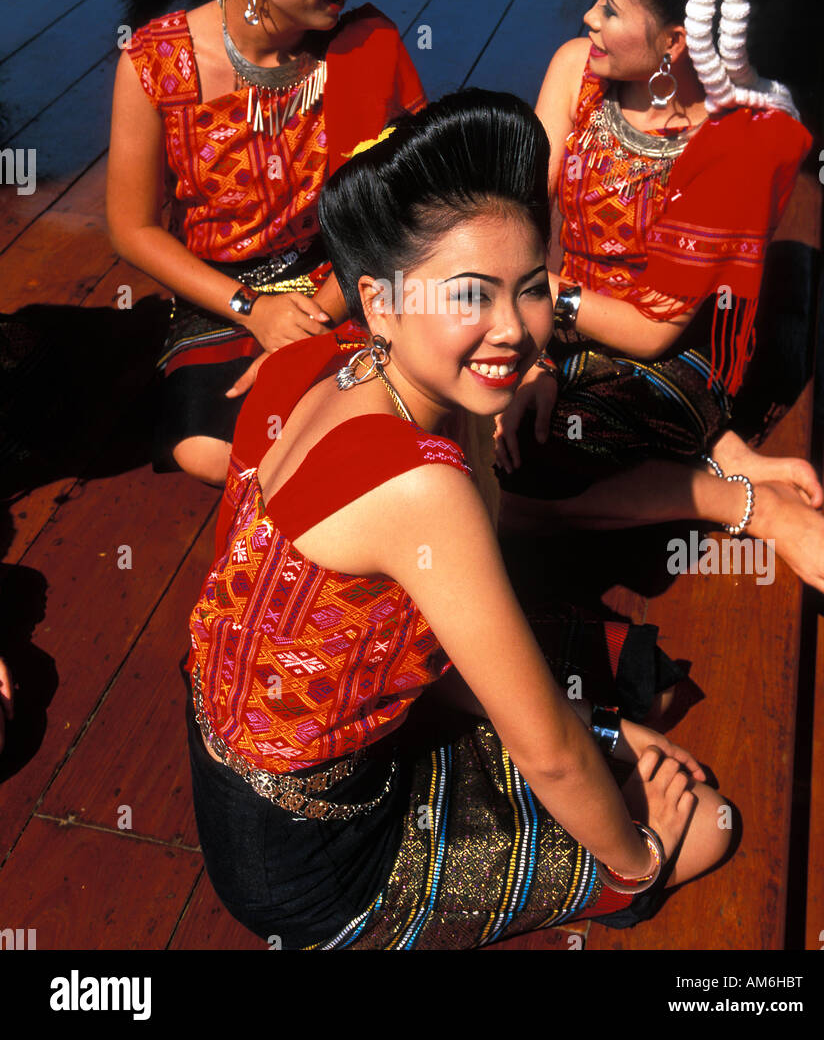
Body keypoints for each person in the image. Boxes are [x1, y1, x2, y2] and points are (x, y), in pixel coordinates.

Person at [185, 91, 730, 950]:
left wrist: (598, 732)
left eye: (533, 289)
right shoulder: (420, 483)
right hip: (315, 856)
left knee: (631, 691)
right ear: (382, 301)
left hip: (303, 740)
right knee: (706, 825)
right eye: (470, 295)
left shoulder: (315, 363)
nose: (512, 329)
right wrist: (635, 861)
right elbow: (547, 753)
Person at [496, 0, 824, 608]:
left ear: (674, 41)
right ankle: (719, 454)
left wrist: (531, 305)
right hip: (552, 317)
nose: (587, 18)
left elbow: (650, 328)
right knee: (438, 402)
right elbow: (519, 224)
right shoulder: (576, 71)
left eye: (610, 8)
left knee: (509, 495)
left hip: (672, 351)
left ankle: (737, 503)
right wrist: (526, 354)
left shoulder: (737, 147)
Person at [106, 0, 425, 486]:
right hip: (221, 298)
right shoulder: (156, 64)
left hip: (345, 280)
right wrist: (255, 312)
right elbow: (132, 229)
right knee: (206, 446)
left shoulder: (365, 45)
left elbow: (404, 204)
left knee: (384, 410)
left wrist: (317, 316)